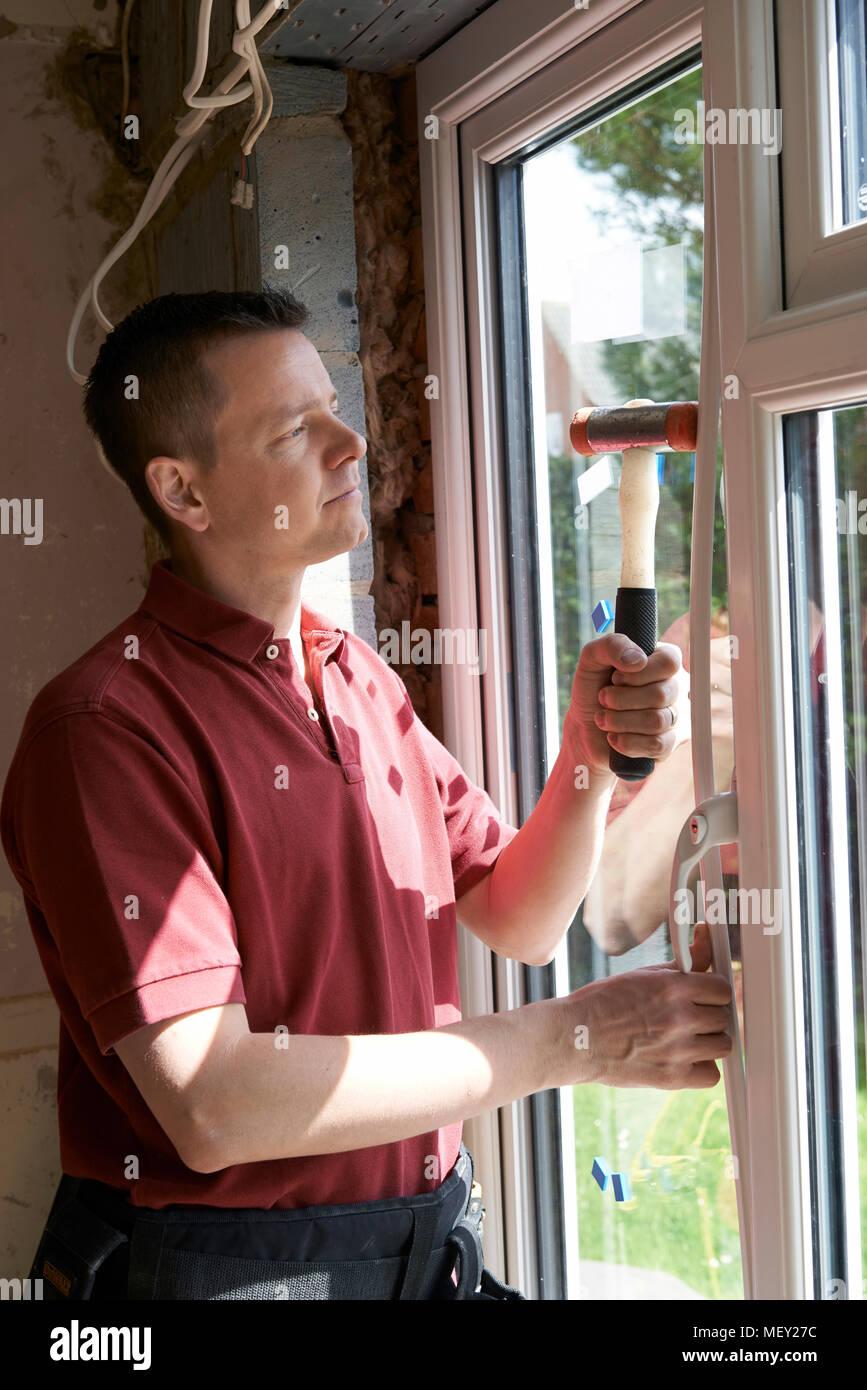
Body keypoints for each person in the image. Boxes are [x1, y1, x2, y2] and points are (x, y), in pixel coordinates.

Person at [0, 288, 732, 1301]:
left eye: (335, 407)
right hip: (229, 1275)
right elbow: (214, 1106)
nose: (351, 443)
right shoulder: (105, 729)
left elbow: (518, 917)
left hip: (425, 1247)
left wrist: (587, 758)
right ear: (184, 491)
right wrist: (580, 1037)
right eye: (296, 429)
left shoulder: (354, 677)